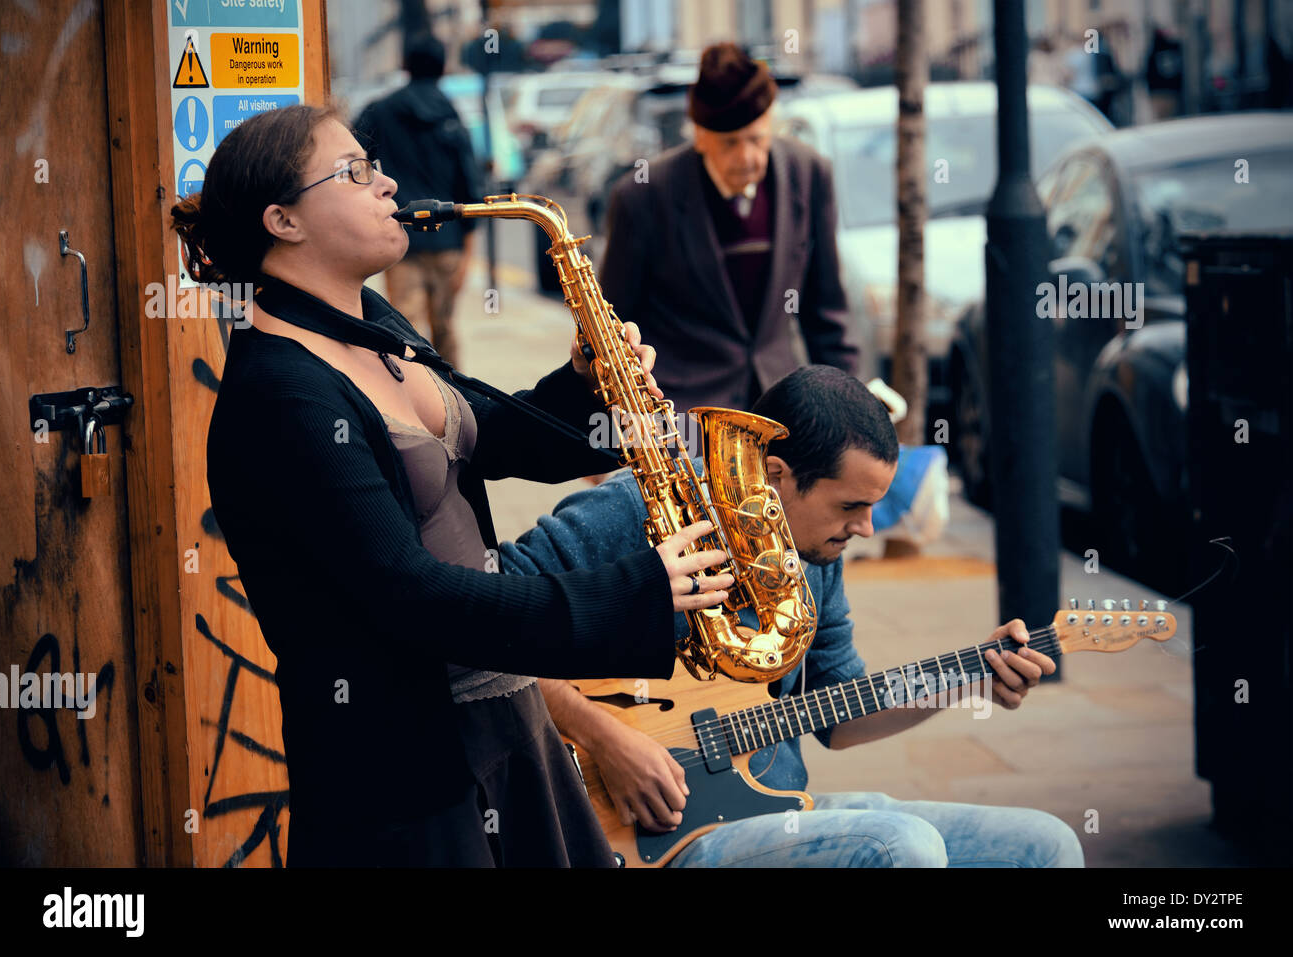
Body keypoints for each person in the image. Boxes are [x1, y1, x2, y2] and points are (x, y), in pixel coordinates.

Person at [175, 103, 735, 867]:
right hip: (406, 780)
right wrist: (639, 586)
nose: (390, 183)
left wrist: (587, 383)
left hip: (506, 725)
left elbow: (492, 435)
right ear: (284, 221)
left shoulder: (369, 320)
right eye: (357, 172)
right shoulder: (282, 397)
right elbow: (413, 596)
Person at [500, 367, 1085, 867]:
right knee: (901, 849)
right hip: (647, 840)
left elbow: (840, 714)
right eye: (851, 506)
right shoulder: (634, 510)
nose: (866, 530)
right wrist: (602, 737)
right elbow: (485, 624)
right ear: (775, 476)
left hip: (776, 811)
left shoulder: (812, 553)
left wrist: (970, 677)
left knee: (1047, 845)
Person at [599, 43, 859, 415]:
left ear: (771, 124)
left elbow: (828, 313)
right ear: (700, 136)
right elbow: (615, 326)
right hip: (682, 418)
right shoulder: (641, 195)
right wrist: (610, 426)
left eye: (757, 139)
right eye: (730, 143)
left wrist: (847, 415)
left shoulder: (809, 173)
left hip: (779, 406)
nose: (747, 158)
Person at [352, 31, 481, 369]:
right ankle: (457, 398)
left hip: (401, 235)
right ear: (442, 68)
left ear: (405, 65)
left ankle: (412, 401)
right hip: (449, 240)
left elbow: (350, 162)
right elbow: (470, 186)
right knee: (445, 327)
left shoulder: (379, 112)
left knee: (403, 330)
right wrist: (468, 250)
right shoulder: (451, 115)